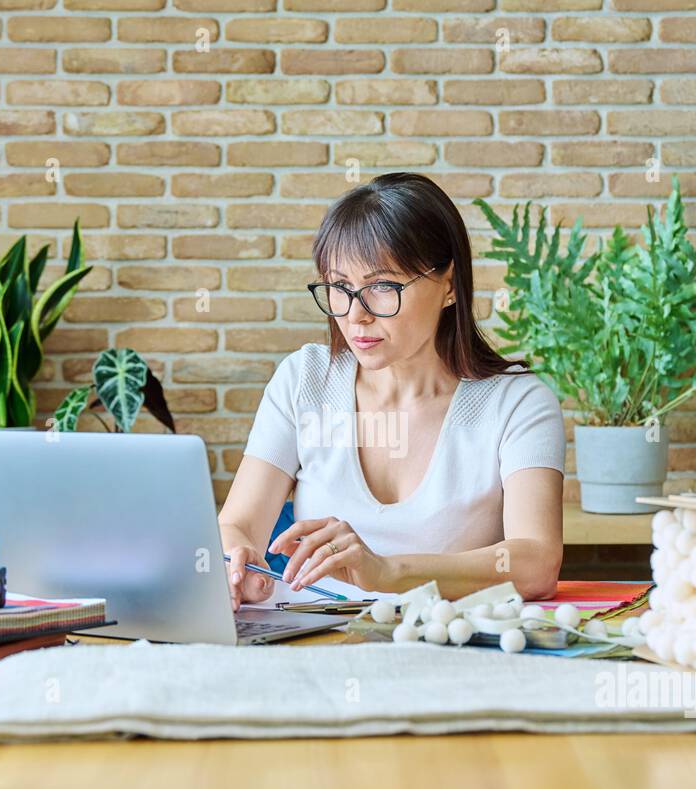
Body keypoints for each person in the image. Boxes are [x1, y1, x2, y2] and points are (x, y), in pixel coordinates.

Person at [219, 172, 566, 608]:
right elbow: (238, 527)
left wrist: (386, 571)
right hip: (318, 645)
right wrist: (237, 563)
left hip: (453, 651)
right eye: (341, 288)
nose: (356, 316)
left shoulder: (516, 403)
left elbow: (536, 563)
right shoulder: (305, 379)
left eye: (383, 287)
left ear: (450, 286)